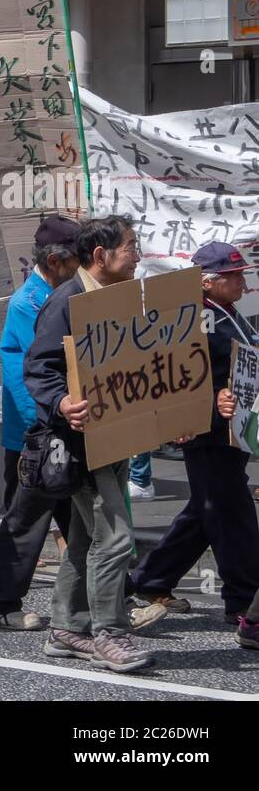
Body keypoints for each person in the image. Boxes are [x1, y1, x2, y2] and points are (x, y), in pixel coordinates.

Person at [26, 216, 154, 673]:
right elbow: (37, 367)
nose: (137, 254)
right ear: (100, 256)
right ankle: (110, 633)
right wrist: (63, 403)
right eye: (131, 246)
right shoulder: (67, 301)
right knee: (115, 536)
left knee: (85, 539)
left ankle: (65, 628)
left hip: (117, 435)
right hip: (81, 442)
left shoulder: (120, 296)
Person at [131, 242, 259, 624]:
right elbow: (177, 376)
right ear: (207, 281)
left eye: (241, 274)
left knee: (206, 510)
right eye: (233, 276)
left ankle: (149, 578)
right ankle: (243, 601)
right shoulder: (194, 316)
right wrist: (209, 402)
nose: (241, 281)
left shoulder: (230, 311)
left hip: (233, 426)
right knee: (233, 514)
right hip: (206, 430)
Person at [0, 216, 80, 596]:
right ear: (55, 261)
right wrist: (50, 418)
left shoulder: (58, 295)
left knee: (73, 517)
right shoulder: (29, 302)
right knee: (25, 518)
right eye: (76, 258)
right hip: (37, 428)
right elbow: (37, 371)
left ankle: (113, 594)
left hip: (55, 424)